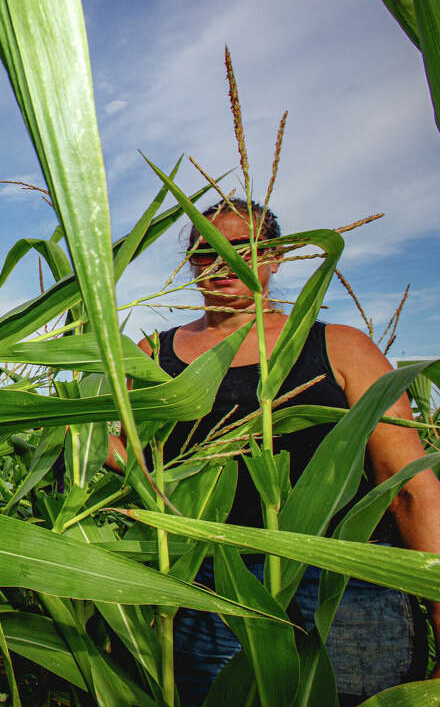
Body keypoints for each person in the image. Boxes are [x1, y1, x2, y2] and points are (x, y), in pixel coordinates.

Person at [110, 198, 440, 705]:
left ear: (275, 256)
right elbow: (135, 461)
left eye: (242, 247)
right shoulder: (150, 355)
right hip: (210, 583)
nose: (221, 262)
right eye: (203, 252)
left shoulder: (342, 347)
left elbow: (411, 488)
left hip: (345, 587)